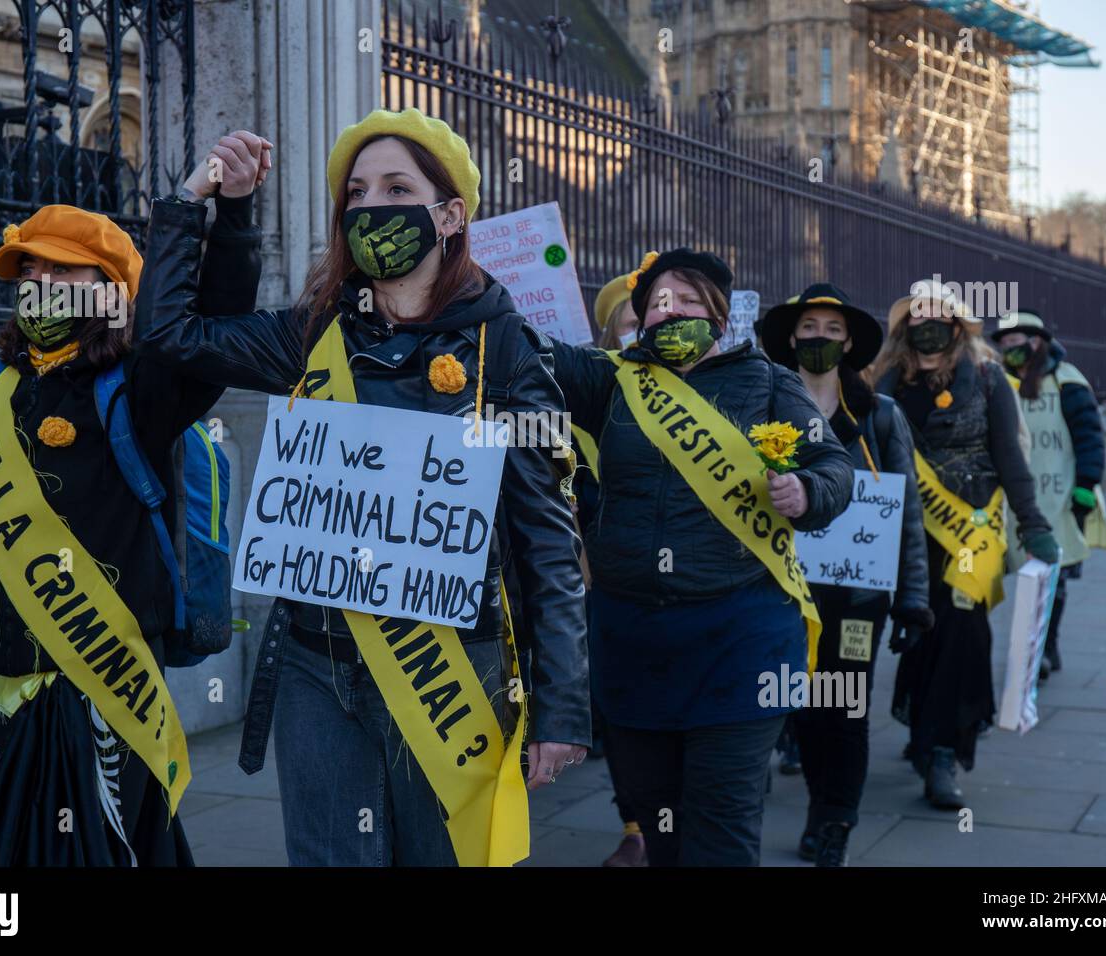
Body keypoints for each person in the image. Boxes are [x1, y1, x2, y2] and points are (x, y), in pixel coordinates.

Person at [137, 108, 591, 866]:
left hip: (450, 669)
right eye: (355, 192)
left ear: (449, 216)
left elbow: (547, 532)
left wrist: (563, 705)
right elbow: (170, 336)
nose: (371, 205)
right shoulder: (313, 331)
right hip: (316, 668)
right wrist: (203, 201)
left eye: (396, 186)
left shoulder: (506, 346)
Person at [0, 131, 270, 864]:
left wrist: (224, 214)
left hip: (102, 693)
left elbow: (210, 325)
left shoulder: (146, 393)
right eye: (32, 270)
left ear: (112, 292)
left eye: (64, 270)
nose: (42, 283)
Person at [550, 248, 854, 866]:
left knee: (721, 827)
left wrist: (807, 492)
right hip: (633, 645)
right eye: (659, 303)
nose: (672, 312)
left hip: (741, 643)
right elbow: (524, 352)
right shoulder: (608, 378)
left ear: (718, 314)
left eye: (688, 301)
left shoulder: (768, 381)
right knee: (661, 829)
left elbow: (833, 465)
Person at [760, 282, 932, 866]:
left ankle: (837, 821)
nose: (819, 339)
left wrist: (913, 598)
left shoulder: (880, 416)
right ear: (790, 336)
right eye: (809, 328)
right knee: (804, 707)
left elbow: (907, 513)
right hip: (785, 591)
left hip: (858, 596)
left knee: (847, 709)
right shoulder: (764, 409)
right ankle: (818, 805)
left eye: (832, 331)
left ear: (850, 342)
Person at [871, 280, 1058, 809]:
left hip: (972, 530)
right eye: (918, 316)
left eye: (938, 316)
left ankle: (944, 753)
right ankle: (923, 730)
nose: (926, 325)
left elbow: (1010, 458)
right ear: (906, 326)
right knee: (922, 630)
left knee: (964, 634)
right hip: (910, 533)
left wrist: (1033, 522)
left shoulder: (989, 378)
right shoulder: (885, 381)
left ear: (957, 325)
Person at [991, 310, 1106, 680]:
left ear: (1036, 342)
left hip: (1058, 500)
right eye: (1005, 343)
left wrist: (1085, 488)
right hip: (1009, 502)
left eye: (1015, 342)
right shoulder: (997, 382)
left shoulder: (1068, 382)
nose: (1009, 349)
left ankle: (1042, 645)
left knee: (1049, 578)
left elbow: (1090, 437)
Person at [577, 273, 647, 866]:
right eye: (631, 321)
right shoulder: (590, 395)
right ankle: (636, 825)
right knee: (622, 704)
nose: (643, 330)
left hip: (689, 585)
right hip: (609, 581)